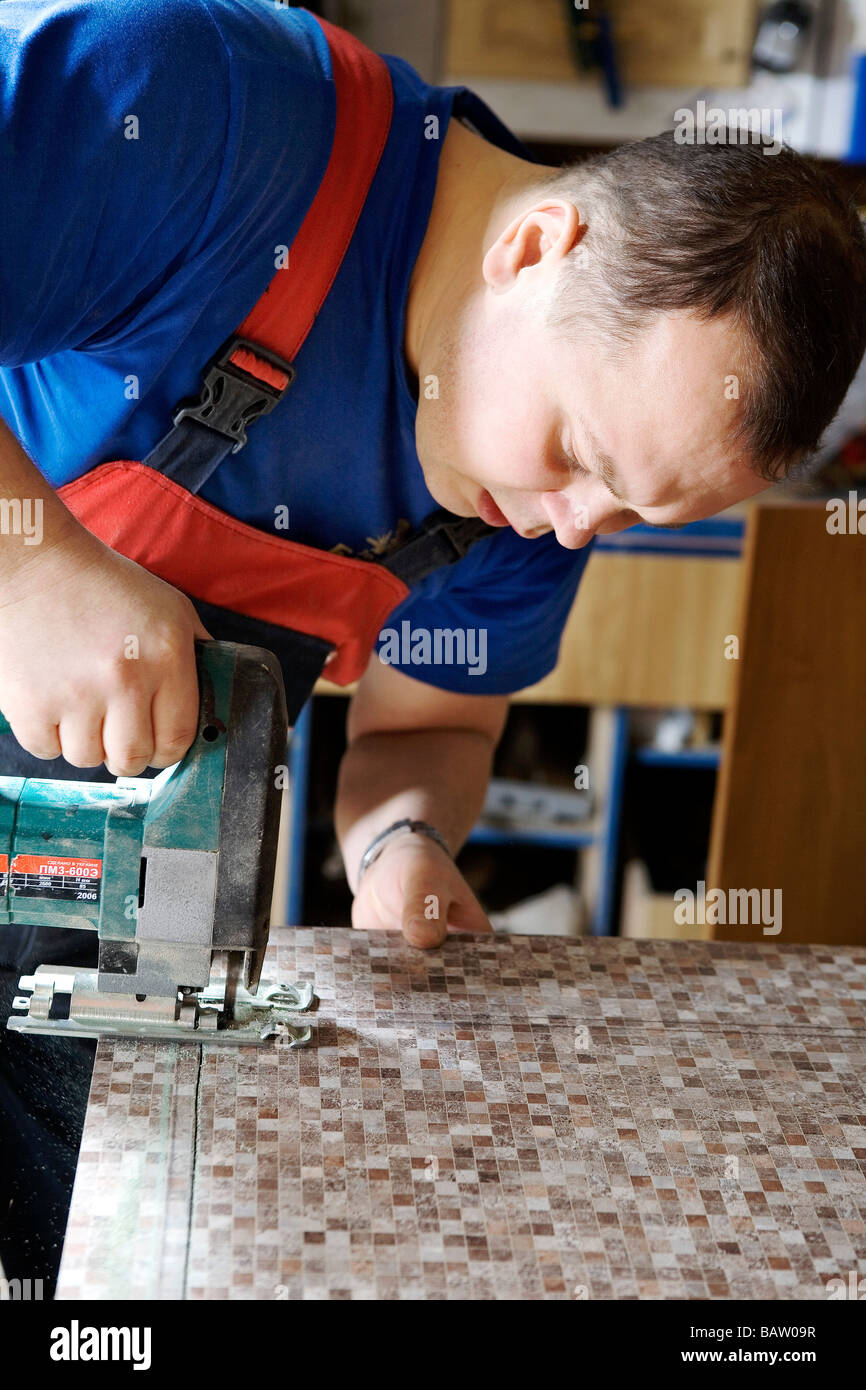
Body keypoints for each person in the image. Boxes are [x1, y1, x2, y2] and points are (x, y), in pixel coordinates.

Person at [0, 0, 864, 1291]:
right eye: (579, 457)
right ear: (535, 246)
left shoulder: (527, 512)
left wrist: (400, 841)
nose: (572, 524)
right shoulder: (208, 103)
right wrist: (30, 564)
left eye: (629, 513)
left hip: (87, 977)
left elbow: (425, 728)